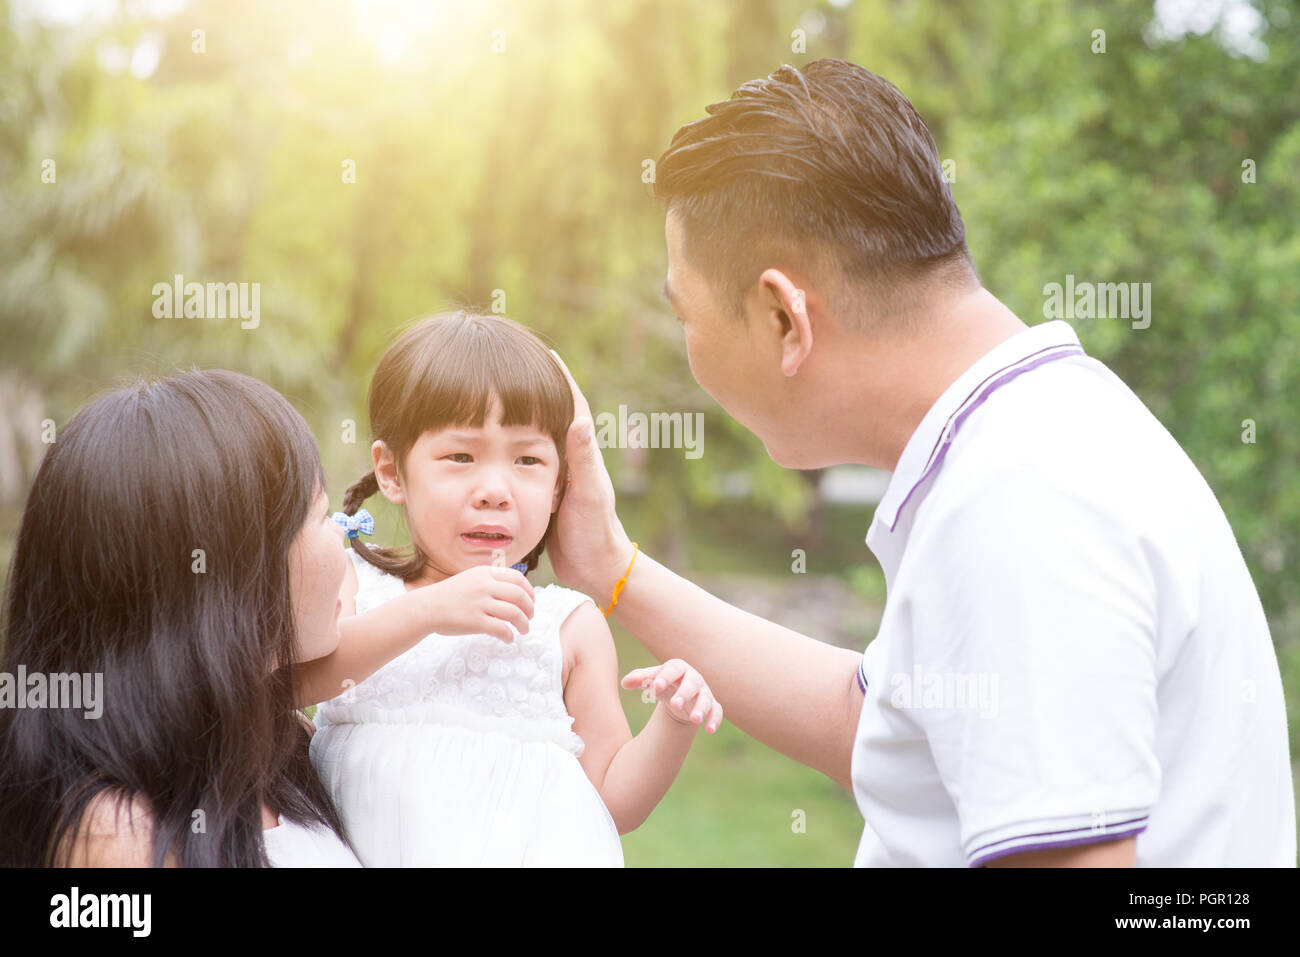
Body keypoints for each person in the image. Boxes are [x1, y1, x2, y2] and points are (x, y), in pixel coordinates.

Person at [542, 58, 1296, 867]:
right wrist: (612, 567)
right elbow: (877, 729)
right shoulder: (1032, 432)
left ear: (783, 317)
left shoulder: (1017, 500)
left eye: (685, 312)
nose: (689, 348)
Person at [304, 311, 721, 866]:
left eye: (527, 460)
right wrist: (429, 611)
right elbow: (302, 680)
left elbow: (612, 801)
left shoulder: (567, 626)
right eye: (461, 457)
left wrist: (672, 722)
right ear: (392, 473)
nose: (496, 490)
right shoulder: (358, 585)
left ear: (557, 488)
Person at [0, 370, 360, 867]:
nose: (343, 541)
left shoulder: (280, 742)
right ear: (232, 576)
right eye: (322, 517)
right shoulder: (118, 838)